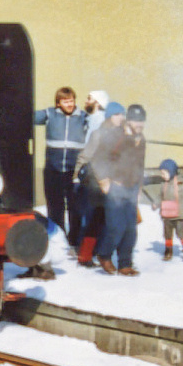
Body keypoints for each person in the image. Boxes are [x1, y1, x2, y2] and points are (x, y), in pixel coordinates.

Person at [93, 103, 147, 276]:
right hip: (115, 186)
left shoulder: (141, 139)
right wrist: (103, 181)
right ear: (128, 120)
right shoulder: (114, 135)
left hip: (131, 188)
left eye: (142, 121)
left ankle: (125, 264)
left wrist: (139, 186)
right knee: (116, 227)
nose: (139, 124)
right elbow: (98, 158)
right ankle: (104, 254)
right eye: (136, 121)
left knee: (131, 229)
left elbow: (140, 163)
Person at [34, 87, 88, 245]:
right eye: (65, 101)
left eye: (71, 100)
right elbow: (25, 116)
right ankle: (58, 240)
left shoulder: (83, 117)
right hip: (53, 170)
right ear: (58, 103)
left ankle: (74, 240)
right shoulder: (50, 114)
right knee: (54, 206)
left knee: (75, 207)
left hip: (74, 171)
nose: (69, 104)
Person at [75, 101, 127, 265]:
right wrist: (76, 176)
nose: (121, 117)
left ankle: (103, 254)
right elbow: (86, 156)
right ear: (110, 116)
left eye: (122, 114)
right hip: (98, 181)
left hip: (116, 181)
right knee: (97, 218)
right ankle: (85, 255)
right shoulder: (99, 134)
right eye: (117, 114)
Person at [156, 159, 183, 261]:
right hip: (167, 213)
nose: (162, 175)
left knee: (180, 233)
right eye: (161, 173)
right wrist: (156, 204)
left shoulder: (181, 182)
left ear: (171, 171)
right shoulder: (164, 184)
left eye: (164, 173)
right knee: (167, 233)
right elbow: (160, 197)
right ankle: (168, 251)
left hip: (178, 214)